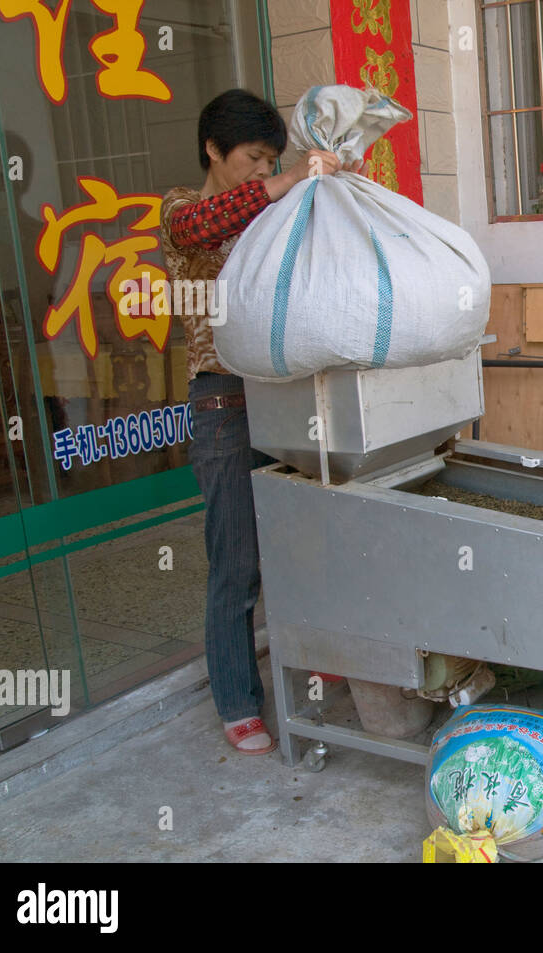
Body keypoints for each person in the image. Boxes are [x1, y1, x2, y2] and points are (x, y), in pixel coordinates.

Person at [160, 89, 356, 755]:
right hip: (225, 408)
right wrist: (288, 179)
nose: (260, 169)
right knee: (236, 564)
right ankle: (239, 700)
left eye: (271, 157)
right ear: (214, 150)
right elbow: (202, 227)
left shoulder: (265, 210)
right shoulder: (183, 211)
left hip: (287, 397)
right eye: (251, 157)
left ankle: (322, 656)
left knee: (306, 544)